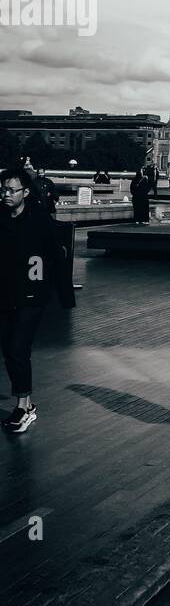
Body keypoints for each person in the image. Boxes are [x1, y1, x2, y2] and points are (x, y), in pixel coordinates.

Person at [0, 167, 75, 434]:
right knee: (9, 350)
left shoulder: (40, 221)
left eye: (12, 190)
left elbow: (59, 258)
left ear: (26, 192)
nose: (6, 194)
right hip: (5, 295)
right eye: (4, 189)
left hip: (32, 296)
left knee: (18, 348)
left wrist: (65, 296)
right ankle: (27, 404)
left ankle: (22, 406)